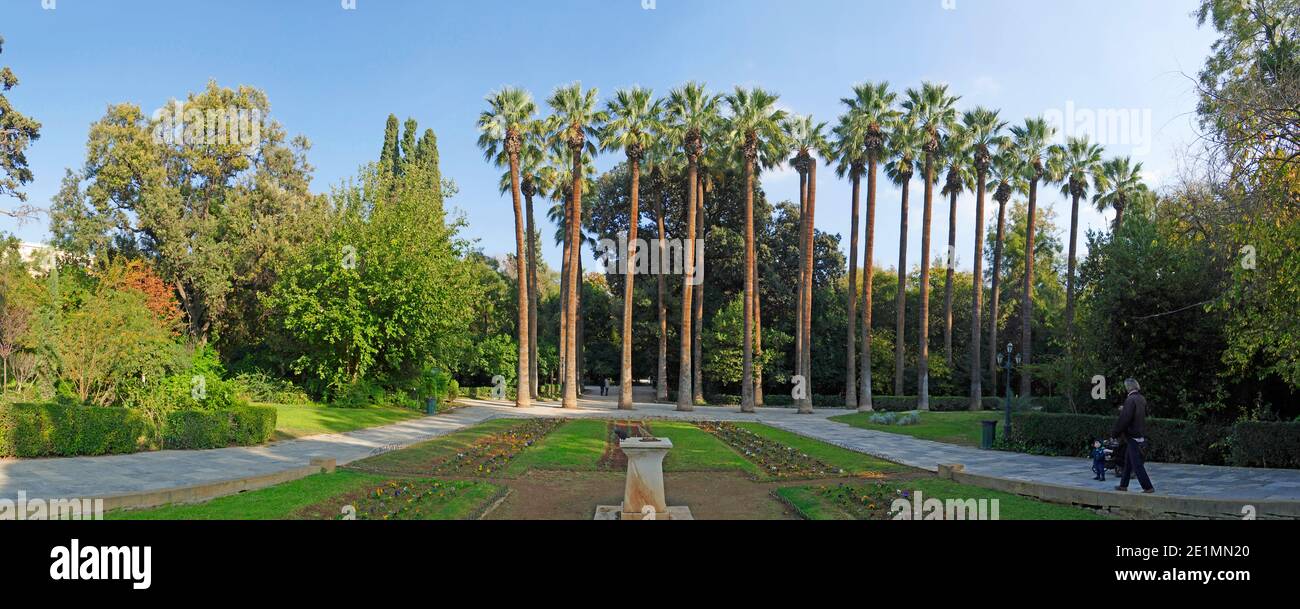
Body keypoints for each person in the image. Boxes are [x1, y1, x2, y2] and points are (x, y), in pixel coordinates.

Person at [1112, 378, 1155, 493]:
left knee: (1136, 464)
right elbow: (1141, 414)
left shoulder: (1130, 399)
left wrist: (1115, 433)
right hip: (1139, 433)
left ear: (1128, 387)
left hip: (1132, 435)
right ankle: (1123, 485)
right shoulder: (1141, 398)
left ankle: (1148, 487)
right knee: (1128, 461)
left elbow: (1125, 419)